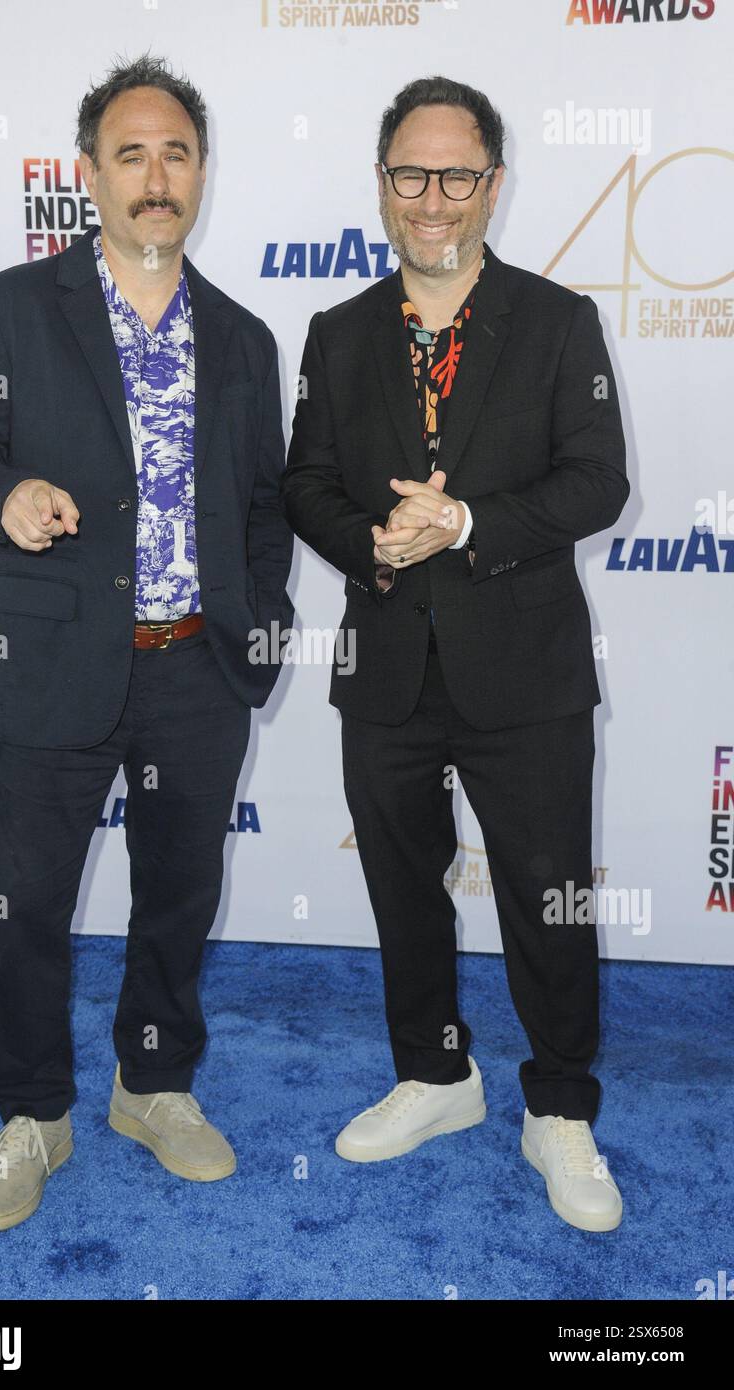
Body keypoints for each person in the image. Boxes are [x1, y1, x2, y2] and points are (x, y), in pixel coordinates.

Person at [0, 53, 293, 1231]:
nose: (154, 176)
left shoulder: (242, 336)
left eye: (176, 152)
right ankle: (33, 1111)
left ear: (201, 174)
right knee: (26, 899)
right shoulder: (15, 305)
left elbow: (265, 513)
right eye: (129, 153)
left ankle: (153, 1082)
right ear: (88, 174)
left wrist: (261, 639)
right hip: (53, 659)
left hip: (197, 666)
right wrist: (9, 492)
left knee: (177, 894)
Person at [281, 77, 629, 1233]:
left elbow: (597, 480)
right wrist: (372, 542)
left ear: (493, 183)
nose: (435, 200)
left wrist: (466, 523)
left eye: (459, 175)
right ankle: (437, 1075)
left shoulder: (559, 320)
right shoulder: (336, 334)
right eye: (411, 175)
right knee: (404, 893)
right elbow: (306, 483)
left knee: (549, 897)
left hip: (524, 669)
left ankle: (560, 1108)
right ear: (381, 183)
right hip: (386, 665)